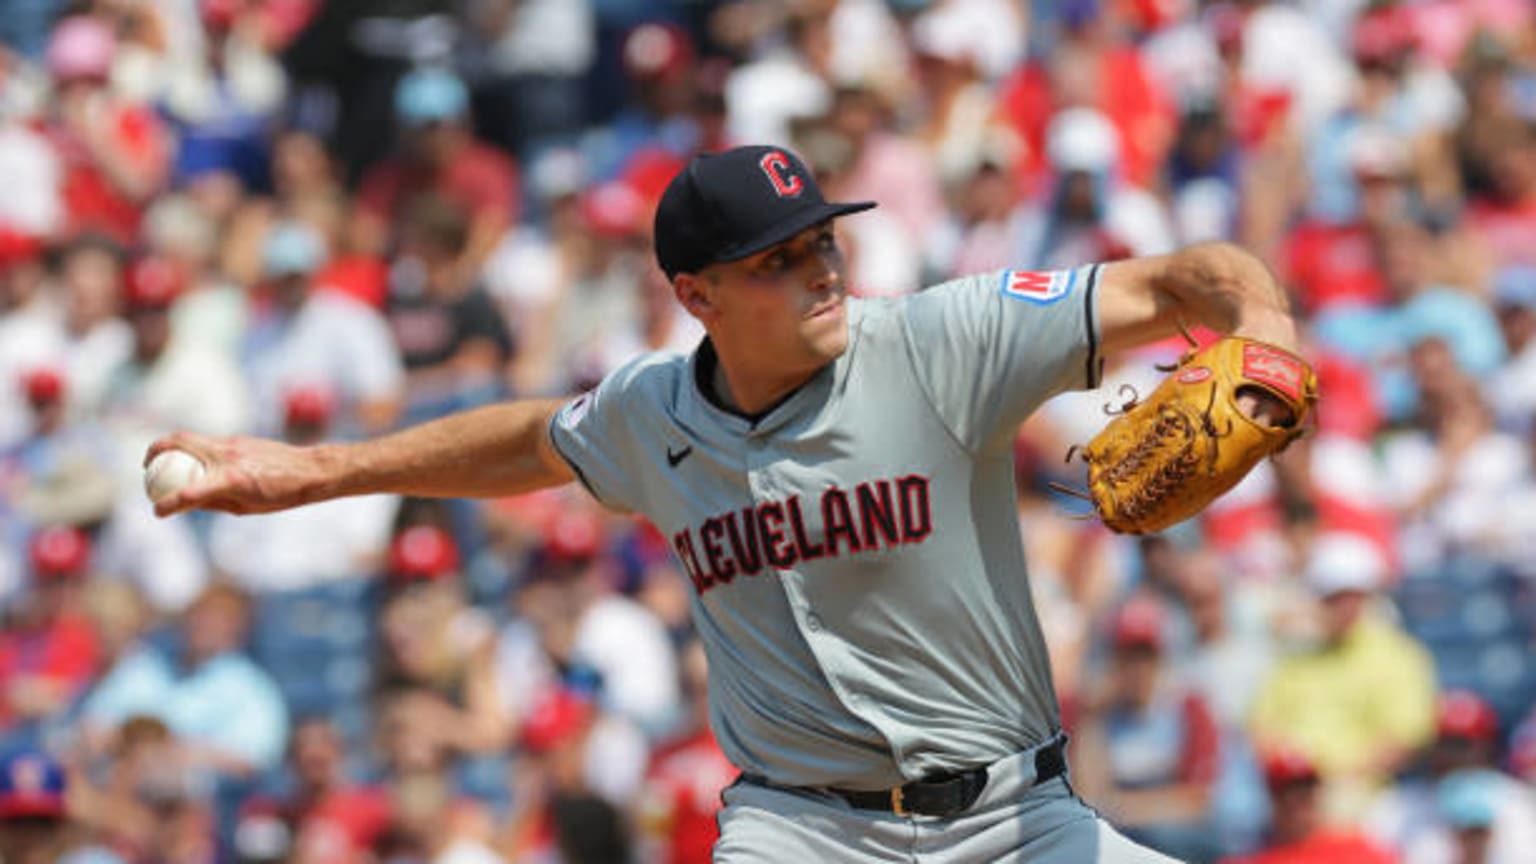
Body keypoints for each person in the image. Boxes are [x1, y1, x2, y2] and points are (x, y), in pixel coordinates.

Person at [147, 144, 1302, 862]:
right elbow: (529, 438)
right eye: (778, 258)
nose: (821, 267)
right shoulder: (654, 414)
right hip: (802, 830)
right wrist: (316, 471)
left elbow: (1188, 277)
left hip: (1017, 822)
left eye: (821, 240)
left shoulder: (944, 341)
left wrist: (1270, 336)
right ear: (696, 294)